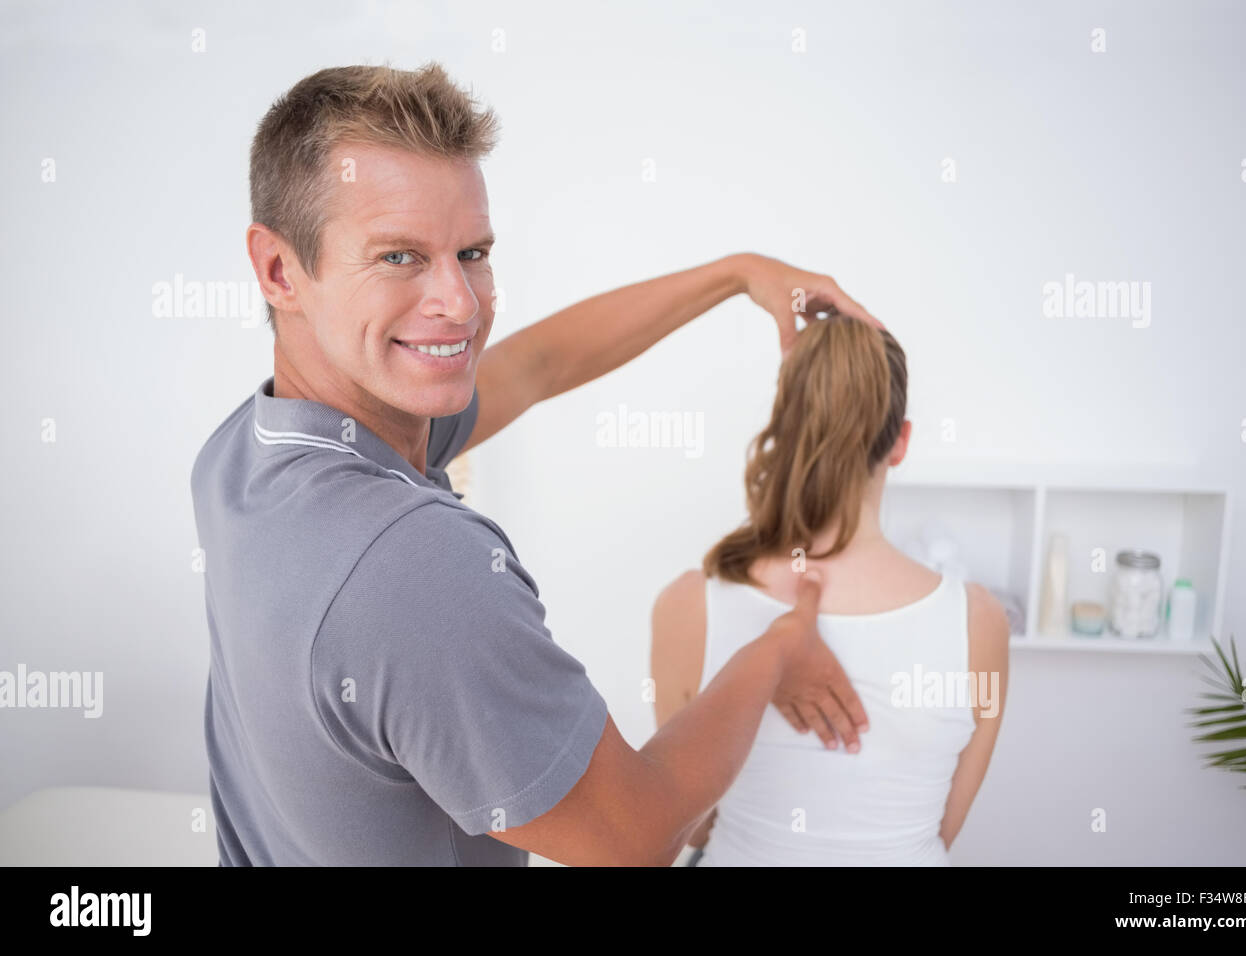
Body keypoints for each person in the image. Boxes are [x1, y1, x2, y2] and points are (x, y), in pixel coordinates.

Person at [190, 61, 883, 866]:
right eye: (399, 258)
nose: (462, 301)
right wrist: (779, 648)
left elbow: (539, 365)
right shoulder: (414, 566)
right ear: (280, 270)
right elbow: (638, 836)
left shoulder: (250, 447)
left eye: (473, 252)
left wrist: (738, 275)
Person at [651, 318, 1010, 865]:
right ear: (900, 442)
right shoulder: (979, 622)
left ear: (786, 429)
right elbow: (936, 832)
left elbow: (692, 826)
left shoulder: (687, 606)